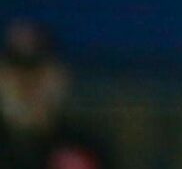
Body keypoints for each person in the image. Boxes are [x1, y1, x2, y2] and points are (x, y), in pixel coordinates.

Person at [0, 20, 114, 169]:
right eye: (16, 73)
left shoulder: (86, 149)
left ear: (60, 77)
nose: (28, 85)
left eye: (38, 72)